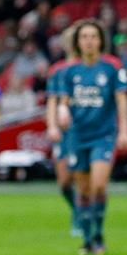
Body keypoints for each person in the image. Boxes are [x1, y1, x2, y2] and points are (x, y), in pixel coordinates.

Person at [59, 19, 127, 254]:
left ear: (101, 40)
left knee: (99, 184)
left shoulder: (112, 67)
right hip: (77, 135)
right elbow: (64, 100)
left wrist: (124, 130)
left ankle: (98, 234)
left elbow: (121, 99)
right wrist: (61, 111)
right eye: (84, 37)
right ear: (77, 42)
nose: (89, 41)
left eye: (93, 36)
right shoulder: (70, 71)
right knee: (83, 190)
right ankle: (88, 240)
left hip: (103, 135)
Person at [45, 42, 79, 236]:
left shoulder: (92, 67)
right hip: (64, 131)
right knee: (64, 181)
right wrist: (51, 125)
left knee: (83, 176)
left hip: (83, 129)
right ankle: (76, 208)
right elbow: (52, 99)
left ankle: (84, 215)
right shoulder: (57, 70)